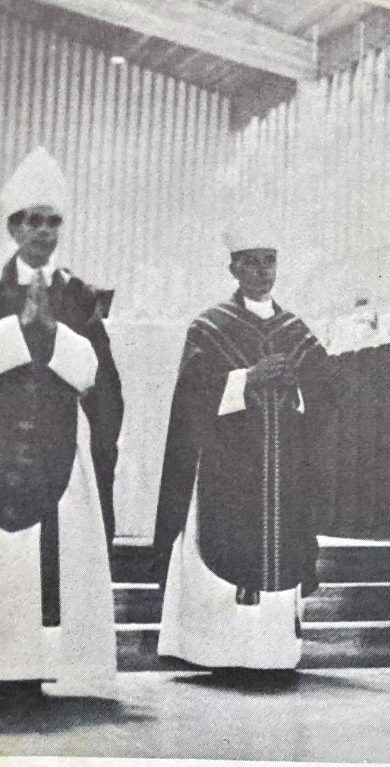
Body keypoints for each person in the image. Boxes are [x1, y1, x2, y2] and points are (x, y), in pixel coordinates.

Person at [153, 222, 337, 680]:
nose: (261, 270)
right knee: (229, 544)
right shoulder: (210, 327)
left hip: (283, 465)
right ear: (232, 267)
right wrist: (247, 378)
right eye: (250, 261)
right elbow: (192, 397)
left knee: (279, 547)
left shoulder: (296, 330)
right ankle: (223, 653)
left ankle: (274, 655)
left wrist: (296, 386)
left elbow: (327, 390)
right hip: (228, 465)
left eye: (269, 260)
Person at [0, 147, 117, 703]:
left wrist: (51, 337)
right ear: (12, 226)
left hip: (59, 450)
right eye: (33, 220)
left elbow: (100, 378)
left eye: (54, 221)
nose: (44, 232)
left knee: (54, 558)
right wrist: (20, 336)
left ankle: (44, 665)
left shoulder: (79, 294)